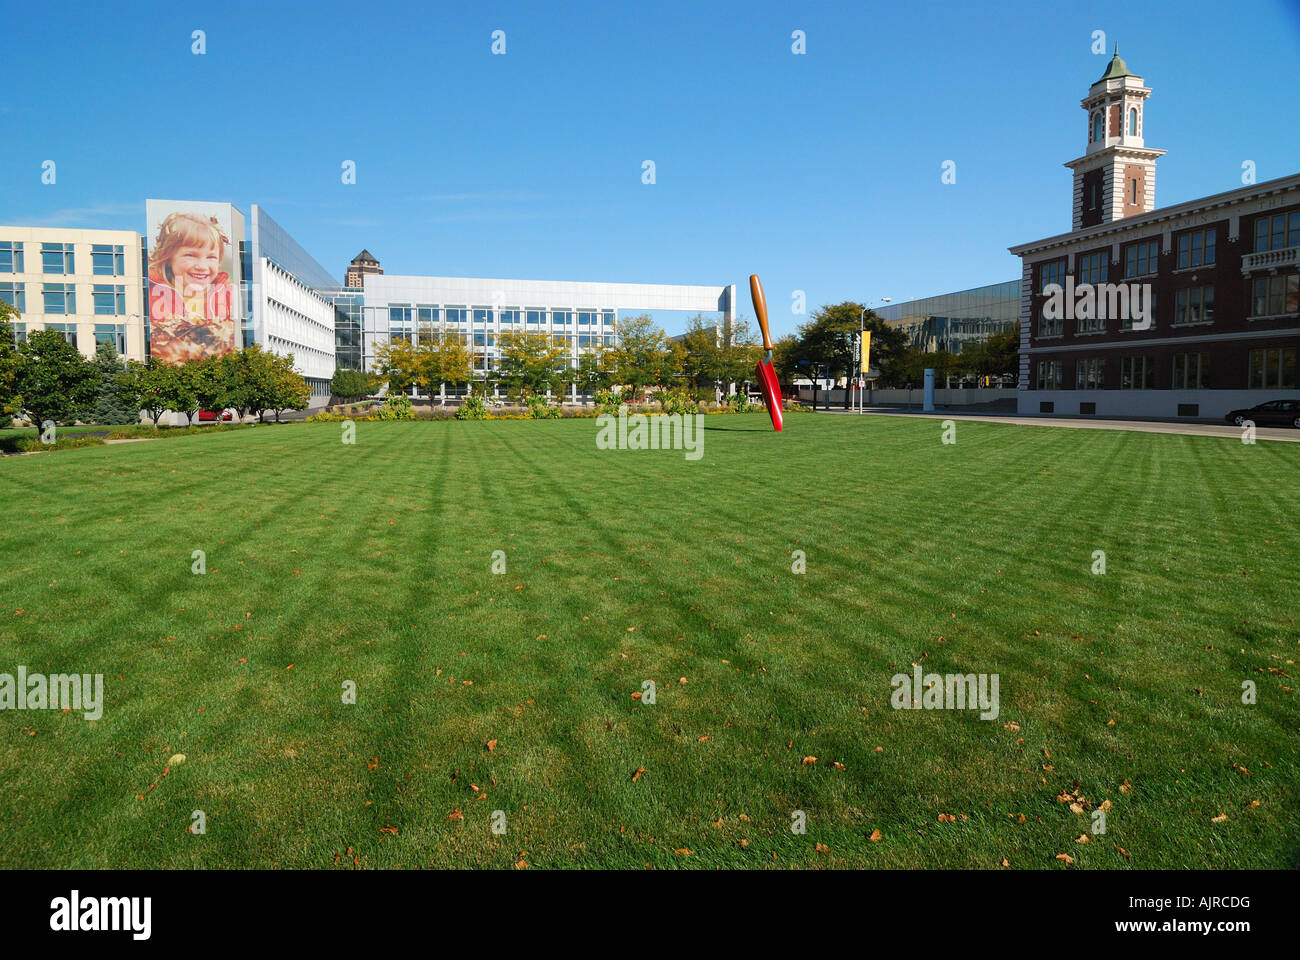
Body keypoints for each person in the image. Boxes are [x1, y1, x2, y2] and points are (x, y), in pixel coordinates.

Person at [148, 212, 235, 364]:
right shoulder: (151, 295)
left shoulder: (228, 295)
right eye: (190, 255)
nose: (202, 266)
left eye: (211, 257)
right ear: (168, 257)